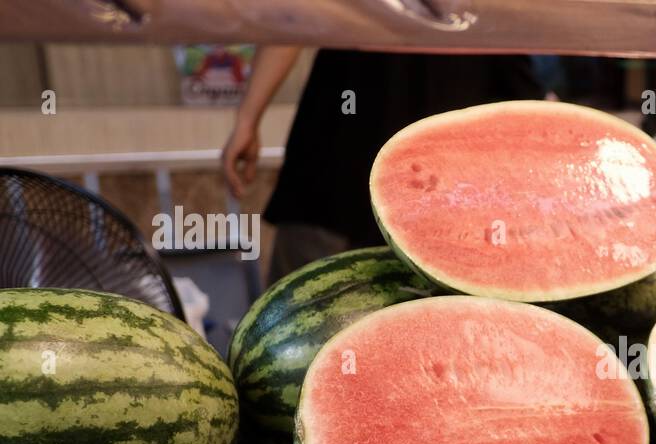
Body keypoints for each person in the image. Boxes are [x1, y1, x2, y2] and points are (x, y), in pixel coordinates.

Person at [222, 47, 542, 284]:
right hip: (338, 166)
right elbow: (292, 15)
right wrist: (248, 118)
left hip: (442, 189)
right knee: (299, 330)